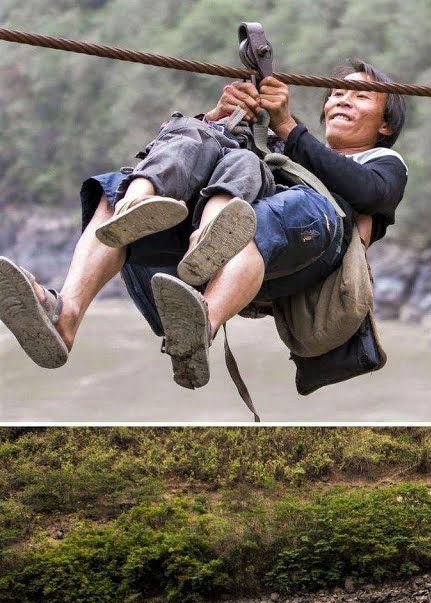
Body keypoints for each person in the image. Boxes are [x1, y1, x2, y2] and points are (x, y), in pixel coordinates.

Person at [0, 59, 407, 391]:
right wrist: (220, 117)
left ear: (385, 125)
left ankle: (201, 325)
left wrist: (287, 126)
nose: (343, 100)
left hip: (308, 237)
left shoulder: (380, 162)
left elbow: (369, 194)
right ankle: (65, 316)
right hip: (233, 251)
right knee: (115, 192)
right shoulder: (287, 149)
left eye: (361, 96)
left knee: (258, 217)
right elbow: (197, 154)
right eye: (336, 92)